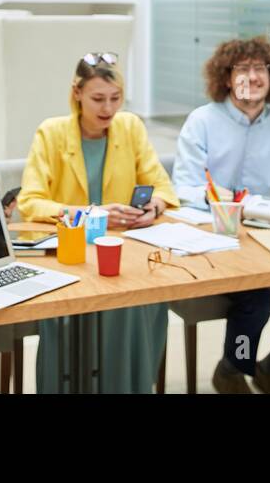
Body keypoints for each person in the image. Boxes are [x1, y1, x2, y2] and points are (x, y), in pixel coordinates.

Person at [19, 52, 179, 393]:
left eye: (115, 98)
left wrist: (153, 205)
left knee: (139, 301)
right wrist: (95, 213)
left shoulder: (130, 127)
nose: (108, 109)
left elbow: (163, 186)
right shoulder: (51, 133)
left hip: (122, 252)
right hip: (71, 254)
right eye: (97, 99)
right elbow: (30, 202)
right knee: (87, 304)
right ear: (76, 93)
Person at [172, 35, 270, 394]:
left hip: (266, 233)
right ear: (226, 78)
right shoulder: (201, 121)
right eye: (243, 70)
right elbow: (183, 189)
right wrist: (214, 197)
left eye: (261, 69)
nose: (252, 77)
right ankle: (233, 368)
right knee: (257, 298)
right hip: (217, 235)